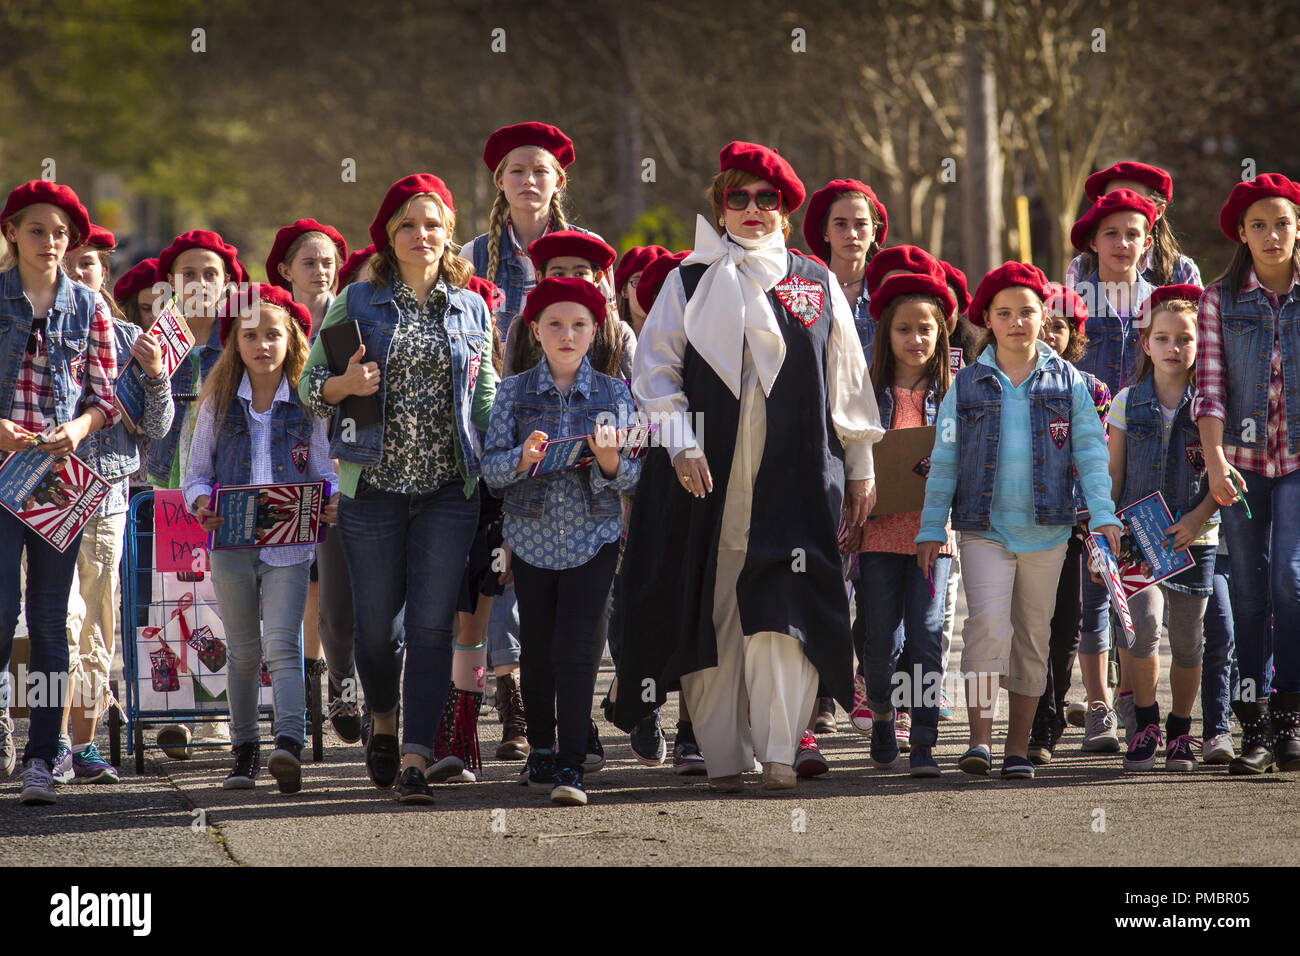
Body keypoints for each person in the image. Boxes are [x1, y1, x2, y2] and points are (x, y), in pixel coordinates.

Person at [615, 141, 883, 793]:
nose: (753, 209)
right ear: (720, 204)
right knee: (713, 610)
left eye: (768, 199)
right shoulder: (689, 278)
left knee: (784, 609)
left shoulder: (815, 282)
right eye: (739, 197)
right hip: (701, 479)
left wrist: (861, 466)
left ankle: (780, 753)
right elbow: (655, 370)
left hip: (796, 477)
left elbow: (846, 380)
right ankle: (725, 757)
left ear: (787, 212)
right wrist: (679, 442)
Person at [299, 173, 496, 805]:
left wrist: (502, 457)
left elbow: (484, 391)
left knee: (434, 626)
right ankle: (381, 716)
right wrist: (344, 387)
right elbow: (309, 387)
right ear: (389, 235)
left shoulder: (472, 307)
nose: (421, 236)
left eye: (433, 225)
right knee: (376, 631)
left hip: (448, 488)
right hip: (373, 487)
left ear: (448, 235)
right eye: (408, 225)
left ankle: (416, 754)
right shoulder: (355, 302)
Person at [917, 262, 1122, 779]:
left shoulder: (1069, 382)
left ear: (1043, 314)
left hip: (1049, 530)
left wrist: (1102, 515)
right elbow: (943, 461)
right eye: (1003, 313)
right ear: (987, 317)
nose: (1016, 322)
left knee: (1033, 635)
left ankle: (1017, 747)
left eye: (1027, 312)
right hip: (983, 527)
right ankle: (981, 742)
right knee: (986, 628)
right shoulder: (964, 385)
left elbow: (1092, 454)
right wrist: (929, 526)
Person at [482, 277, 642, 805]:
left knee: (577, 653)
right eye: (555, 324)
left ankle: (572, 763)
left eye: (578, 325)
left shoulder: (614, 392)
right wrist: (523, 459)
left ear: (596, 331)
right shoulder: (514, 390)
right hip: (530, 540)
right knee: (540, 653)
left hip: (593, 540)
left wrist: (611, 460)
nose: (567, 335)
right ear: (536, 329)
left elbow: (633, 477)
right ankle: (542, 751)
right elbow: (490, 470)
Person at [185, 284, 336, 792]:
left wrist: (330, 495)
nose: (262, 344)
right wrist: (202, 503)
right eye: (250, 335)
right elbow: (196, 475)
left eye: (273, 334)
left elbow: (322, 470)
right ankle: (244, 751)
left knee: (283, 648)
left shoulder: (308, 406)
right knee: (244, 651)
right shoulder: (219, 403)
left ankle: (288, 745)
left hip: (290, 546)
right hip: (231, 543)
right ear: (236, 343)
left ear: (291, 340)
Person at [0, 181, 119, 804]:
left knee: (50, 622)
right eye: (36, 230)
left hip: (57, 484)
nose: (49, 243)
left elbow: (106, 397)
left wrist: (78, 427)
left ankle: (44, 757)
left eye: (59, 234)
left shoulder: (89, 306)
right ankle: (2, 729)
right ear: (12, 233)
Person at [1193, 173, 1300, 774]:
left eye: (1281, 221)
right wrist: (1214, 462)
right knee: (1251, 593)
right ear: (1241, 233)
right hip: (1240, 462)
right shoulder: (1219, 299)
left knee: (1291, 577)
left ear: (1298, 226)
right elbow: (1209, 392)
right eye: (1257, 224)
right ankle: (1254, 727)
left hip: (1299, 464)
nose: (1270, 234)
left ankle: (1291, 719)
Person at [59, 225, 174, 784]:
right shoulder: (34, 329)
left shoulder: (132, 337)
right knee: (59, 617)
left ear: (105, 273)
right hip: (44, 492)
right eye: (72, 262)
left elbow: (156, 427)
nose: (81, 273)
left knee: (98, 625)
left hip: (105, 489)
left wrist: (154, 374)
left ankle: (83, 744)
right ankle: (49, 741)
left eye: (91, 264)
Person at [1104, 284, 1217, 771]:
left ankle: (1179, 731)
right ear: (1145, 344)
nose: (1175, 348)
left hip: (1196, 537)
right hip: (1136, 536)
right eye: (1163, 338)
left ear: (1200, 344)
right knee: (1142, 629)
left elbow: (1223, 475)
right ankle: (1145, 722)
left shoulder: (1211, 405)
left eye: (1185, 339)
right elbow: (1113, 475)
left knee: (1189, 640)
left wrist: (1196, 518)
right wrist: (1103, 535)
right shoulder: (1128, 402)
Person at [147, 229, 245, 759]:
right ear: (170, 284)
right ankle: (175, 711)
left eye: (211, 273)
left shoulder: (241, 341)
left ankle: (221, 716)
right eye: (189, 274)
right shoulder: (161, 339)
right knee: (174, 598)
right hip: (169, 485)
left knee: (227, 599)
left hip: (226, 488)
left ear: (229, 282)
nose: (201, 283)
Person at [855, 272, 955, 777]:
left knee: (926, 636)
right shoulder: (866, 394)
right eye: (903, 330)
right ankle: (879, 711)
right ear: (885, 335)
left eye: (925, 330)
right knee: (881, 640)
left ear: (940, 336)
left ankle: (924, 740)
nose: (915, 340)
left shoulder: (954, 394)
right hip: (877, 532)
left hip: (933, 534)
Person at [267, 218, 359, 740]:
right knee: (303, 586)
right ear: (285, 270)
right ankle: (302, 688)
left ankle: (343, 689)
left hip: (341, 465)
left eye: (329, 261)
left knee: (342, 591)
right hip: (285, 466)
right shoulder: (273, 322)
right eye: (310, 261)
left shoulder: (351, 318)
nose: (322, 270)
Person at [1027, 283, 1113, 764]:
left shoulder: (1093, 390)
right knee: (1033, 623)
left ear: (1075, 336)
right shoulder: (1012, 386)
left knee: (1066, 623)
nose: (1052, 333)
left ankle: (1055, 708)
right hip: (1026, 525)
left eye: (1062, 326)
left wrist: (1095, 519)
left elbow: (1095, 459)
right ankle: (1038, 715)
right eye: (1046, 322)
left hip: (1075, 528)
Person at [1065, 161, 1201, 288]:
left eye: (1135, 202)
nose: (1122, 207)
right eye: (1112, 200)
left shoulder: (1183, 271)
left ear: (1159, 211)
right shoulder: (1080, 267)